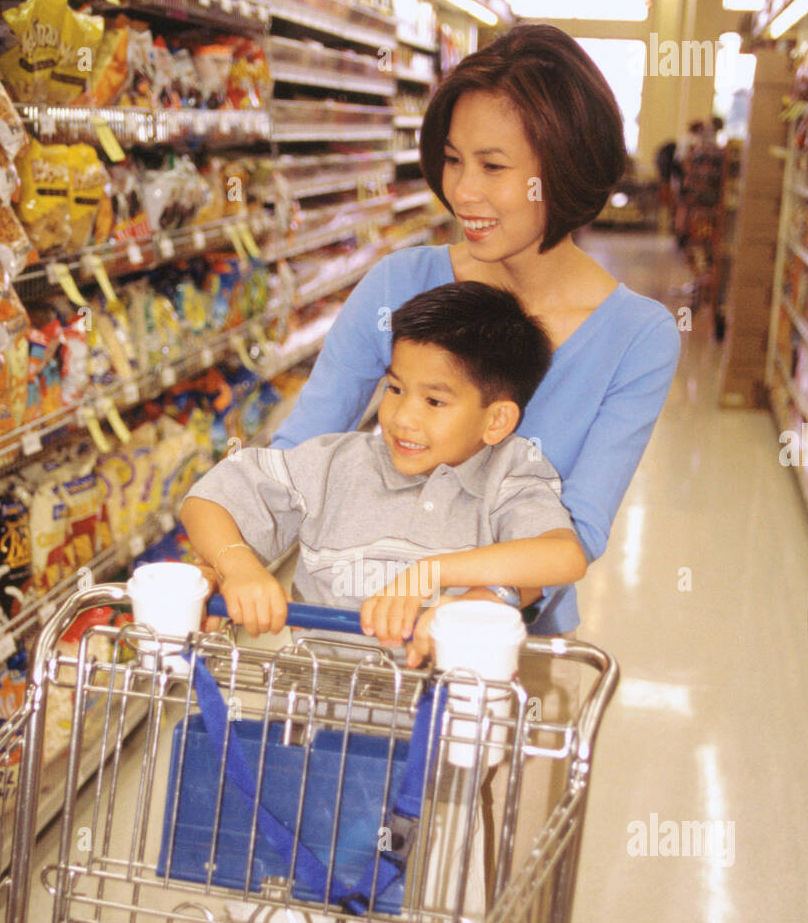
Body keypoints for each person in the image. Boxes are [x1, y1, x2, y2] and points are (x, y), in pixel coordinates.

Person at [268, 23, 681, 640]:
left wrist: (475, 603)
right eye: (454, 160)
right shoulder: (398, 284)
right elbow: (295, 451)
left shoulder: (638, 337)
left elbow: (578, 527)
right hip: (350, 632)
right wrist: (230, 552)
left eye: (493, 166)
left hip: (508, 648)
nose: (462, 192)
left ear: (565, 168)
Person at [182, 280, 586, 667]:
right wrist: (237, 567)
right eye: (395, 389)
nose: (402, 418)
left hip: (445, 721)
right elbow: (210, 499)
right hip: (318, 712)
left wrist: (432, 572)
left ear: (496, 420)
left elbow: (563, 555)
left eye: (434, 401)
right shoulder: (333, 464)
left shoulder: (509, 474)